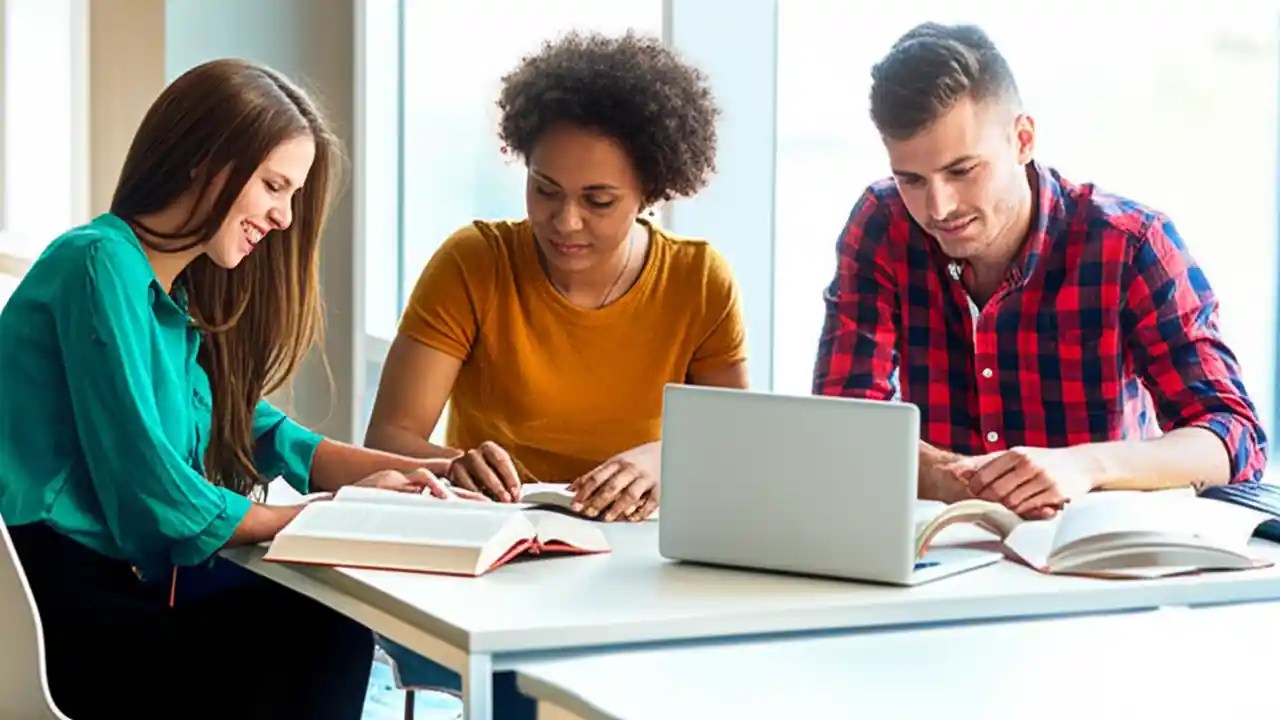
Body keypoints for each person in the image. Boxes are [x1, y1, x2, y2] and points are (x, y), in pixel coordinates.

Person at [0, 59, 479, 720]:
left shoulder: (171, 302)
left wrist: (433, 475)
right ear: (205, 162)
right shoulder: (97, 262)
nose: (284, 217)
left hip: (110, 594)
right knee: (321, 632)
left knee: (317, 624)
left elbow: (266, 432)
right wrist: (322, 517)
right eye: (274, 186)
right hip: (56, 616)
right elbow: (150, 487)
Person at [363, 30, 746, 717]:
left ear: (651, 190)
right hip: (495, 571)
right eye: (545, 190)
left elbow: (740, 447)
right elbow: (388, 438)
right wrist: (452, 465)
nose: (564, 221)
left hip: (640, 578)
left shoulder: (699, 281)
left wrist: (666, 458)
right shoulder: (473, 264)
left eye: (598, 201)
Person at [813, 22, 1268, 519]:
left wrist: (1084, 466)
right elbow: (845, 427)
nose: (939, 207)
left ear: (1023, 139)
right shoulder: (882, 225)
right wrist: (955, 481)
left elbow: (1233, 437)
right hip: (939, 551)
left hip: (1089, 551)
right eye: (912, 180)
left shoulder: (1132, 244)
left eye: (962, 171)